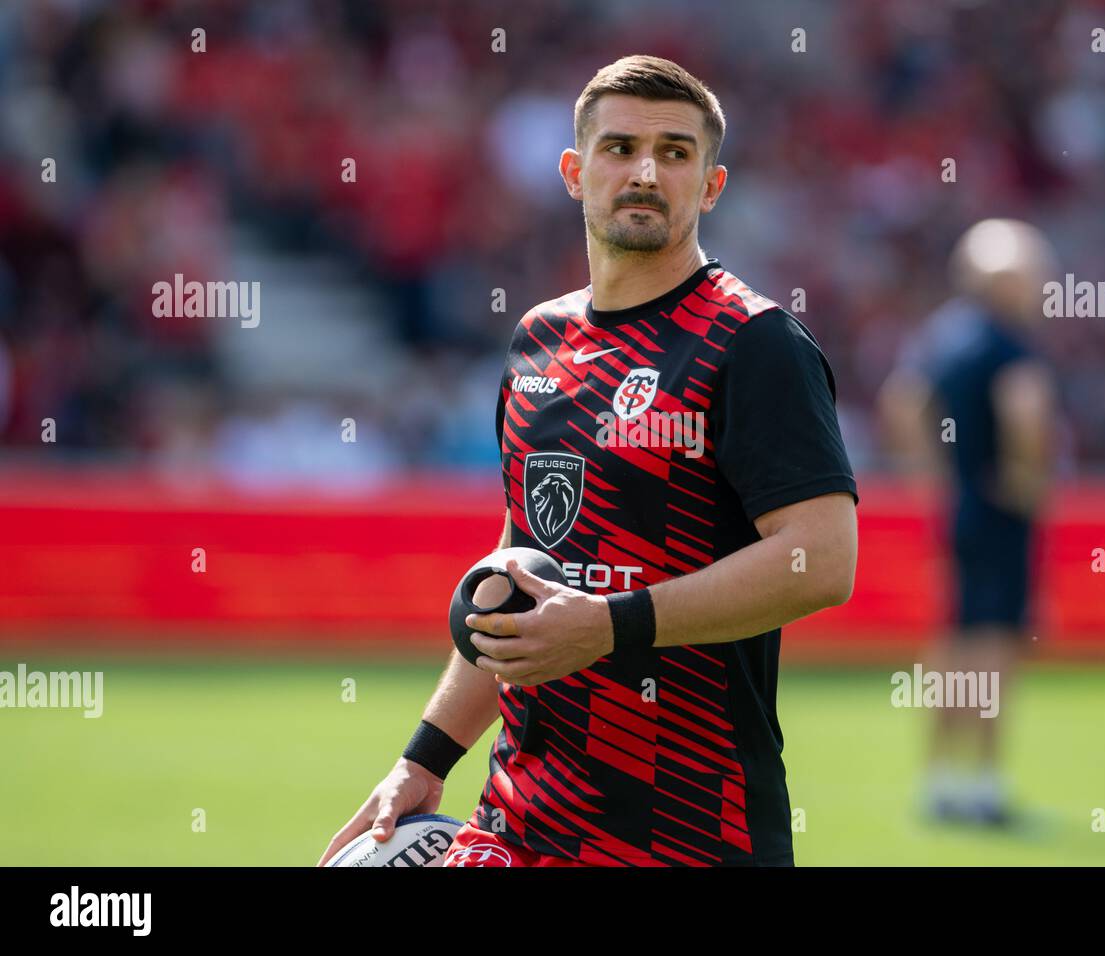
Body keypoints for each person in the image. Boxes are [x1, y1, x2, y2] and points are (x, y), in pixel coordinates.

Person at [318, 55, 859, 867]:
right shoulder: (537, 342)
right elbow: (510, 586)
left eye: (676, 153)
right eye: (620, 148)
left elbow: (822, 561)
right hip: (520, 826)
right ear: (575, 172)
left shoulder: (754, 343)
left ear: (710, 186)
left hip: (690, 832)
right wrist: (423, 759)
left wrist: (610, 627)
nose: (646, 171)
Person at [878, 218, 1056, 826]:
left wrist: (932, 472)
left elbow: (902, 402)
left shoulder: (943, 335)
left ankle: (940, 781)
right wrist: (1026, 476)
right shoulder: (1008, 343)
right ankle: (982, 785)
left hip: (961, 506)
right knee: (995, 647)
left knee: (955, 643)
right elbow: (1025, 411)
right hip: (1000, 509)